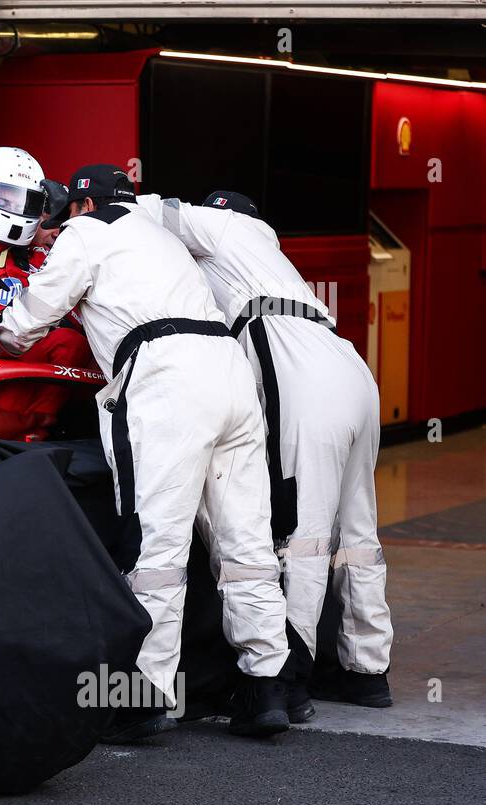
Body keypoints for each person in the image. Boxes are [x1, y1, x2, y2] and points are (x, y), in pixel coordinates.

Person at [0, 163, 291, 740]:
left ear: (78, 206)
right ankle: (267, 686)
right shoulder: (160, 234)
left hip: (167, 378)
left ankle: (147, 697)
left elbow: (29, 319)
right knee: (245, 540)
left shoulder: (86, 232)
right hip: (229, 371)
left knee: (157, 543)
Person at [134, 189, 394, 713]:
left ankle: (290, 676)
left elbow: (136, 208)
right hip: (346, 362)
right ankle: (367, 672)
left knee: (302, 532)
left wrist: (81, 206)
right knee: (359, 532)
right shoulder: (266, 252)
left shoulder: (222, 228)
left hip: (292, 363)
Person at [0, 156, 98, 438]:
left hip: (10, 357)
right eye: (5, 199)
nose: (17, 210)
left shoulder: (42, 259)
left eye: (27, 203)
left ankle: (36, 433)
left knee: (70, 341)